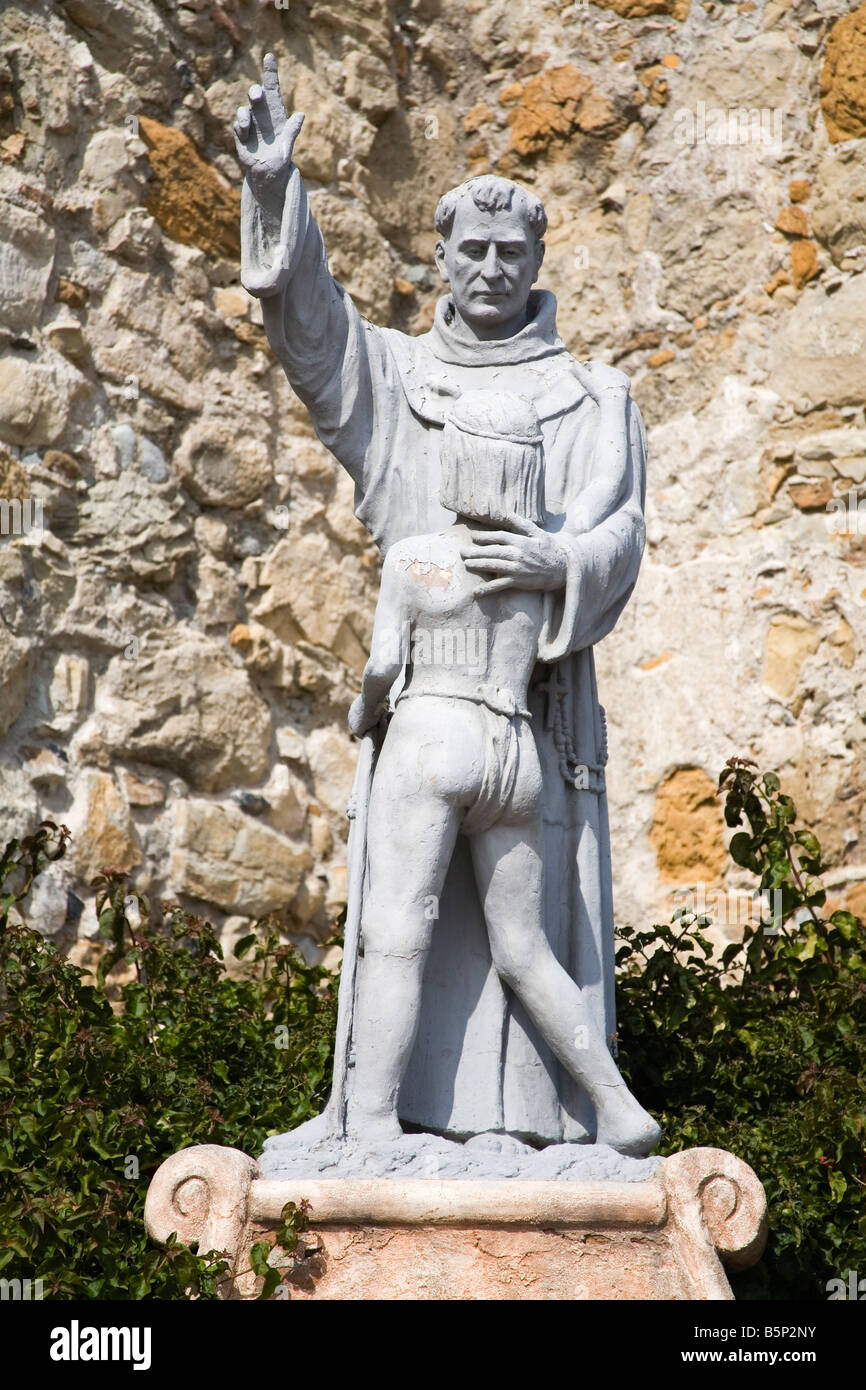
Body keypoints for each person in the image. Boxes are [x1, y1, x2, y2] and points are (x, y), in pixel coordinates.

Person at [235, 55, 649, 1145]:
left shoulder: (592, 397)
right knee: (494, 933)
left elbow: (621, 535)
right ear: (440, 257)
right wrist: (278, 189)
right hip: (486, 720)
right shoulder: (397, 378)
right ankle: (410, 1119)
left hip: (527, 712)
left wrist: (557, 564)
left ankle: (523, 1131)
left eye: (511, 251)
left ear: (537, 261)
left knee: (445, 928)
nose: (489, 267)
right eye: (470, 248)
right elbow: (311, 330)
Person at [346, 391, 660, 1155]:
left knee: (396, 934)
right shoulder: (532, 567)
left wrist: (362, 712)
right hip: (514, 753)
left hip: (431, 736)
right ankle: (620, 1109)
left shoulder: (415, 557)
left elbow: (387, 663)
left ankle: (372, 1121)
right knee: (523, 948)